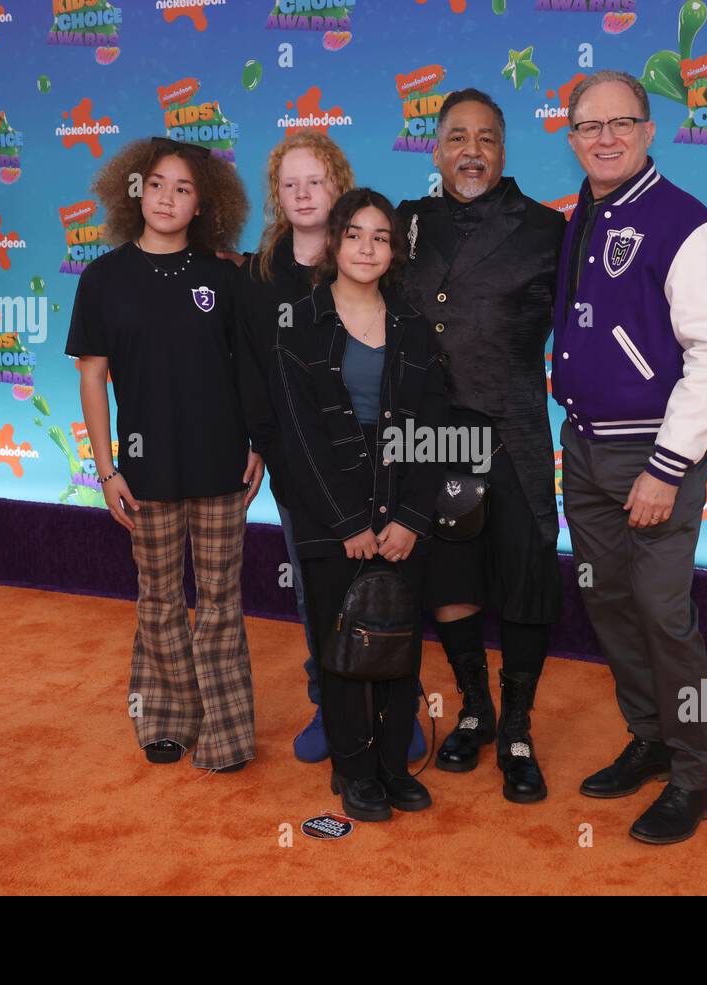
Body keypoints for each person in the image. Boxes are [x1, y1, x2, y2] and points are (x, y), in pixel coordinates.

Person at [553, 71, 707, 842]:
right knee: (608, 601)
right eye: (589, 126)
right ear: (571, 137)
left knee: (665, 616)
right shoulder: (581, 214)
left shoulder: (689, 226)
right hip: (585, 447)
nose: (605, 138)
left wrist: (666, 468)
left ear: (649, 130)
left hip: (653, 456)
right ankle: (652, 735)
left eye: (622, 123)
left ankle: (694, 775)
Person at [65, 136, 263, 773]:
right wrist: (106, 466)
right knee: (156, 598)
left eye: (182, 189)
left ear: (204, 203)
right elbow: (92, 375)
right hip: (145, 469)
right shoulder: (103, 278)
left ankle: (227, 734)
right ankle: (167, 721)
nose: (167, 198)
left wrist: (257, 440)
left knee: (220, 602)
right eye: (156, 185)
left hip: (221, 463)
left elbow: (251, 367)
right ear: (136, 191)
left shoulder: (225, 276)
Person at [235, 132, 427, 765]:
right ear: (276, 195)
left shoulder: (368, 262)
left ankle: (398, 701)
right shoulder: (261, 276)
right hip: (302, 464)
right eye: (289, 183)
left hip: (383, 463)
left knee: (388, 582)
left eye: (314, 180)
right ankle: (332, 704)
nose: (301, 193)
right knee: (320, 593)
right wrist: (267, 449)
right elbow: (253, 376)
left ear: (338, 186)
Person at [396, 89, 564, 804]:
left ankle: (519, 725)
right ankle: (474, 705)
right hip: (438, 438)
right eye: (457, 137)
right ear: (435, 149)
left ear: (504, 149)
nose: (471, 150)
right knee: (452, 576)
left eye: (486, 138)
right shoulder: (404, 222)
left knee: (525, 576)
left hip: (513, 432)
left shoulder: (548, 228)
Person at [262, 188, 448, 821]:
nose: (367, 248)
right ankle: (355, 771)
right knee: (340, 644)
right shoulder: (296, 319)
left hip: (401, 498)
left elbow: (432, 429)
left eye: (381, 237)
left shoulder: (415, 325)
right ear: (334, 243)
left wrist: (411, 519)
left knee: (395, 639)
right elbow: (297, 431)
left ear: (394, 251)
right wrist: (346, 522)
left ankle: (394, 768)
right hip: (325, 503)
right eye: (355, 235)